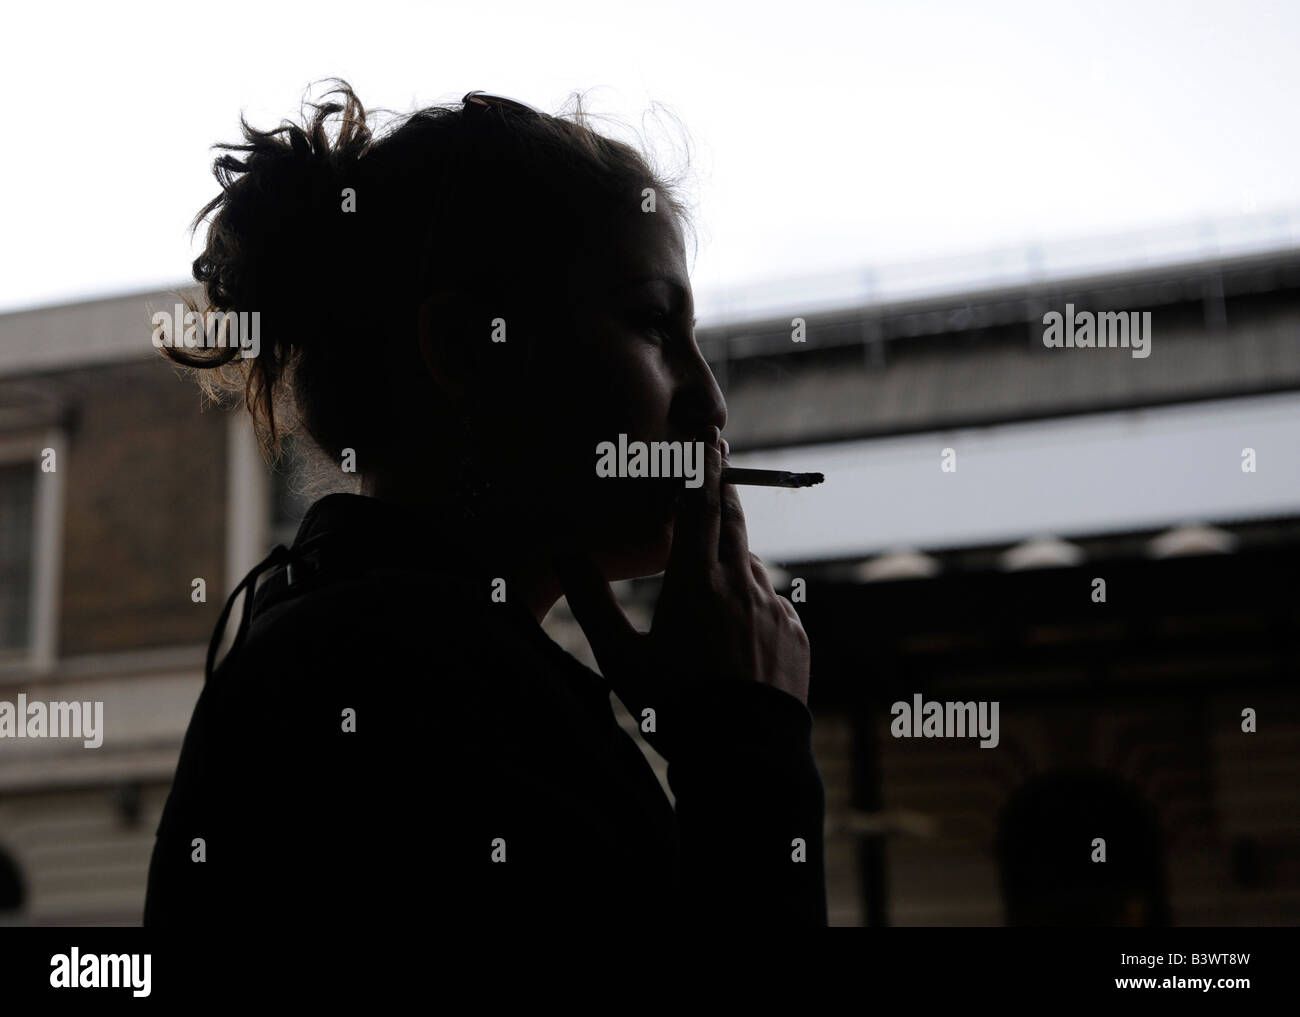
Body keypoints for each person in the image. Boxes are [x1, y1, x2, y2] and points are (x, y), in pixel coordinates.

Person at [143, 82, 828, 930]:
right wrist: (748, 755)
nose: (710, 402)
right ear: (469, 352)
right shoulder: (415, 705)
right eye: (653, 323)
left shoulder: (361, 656)